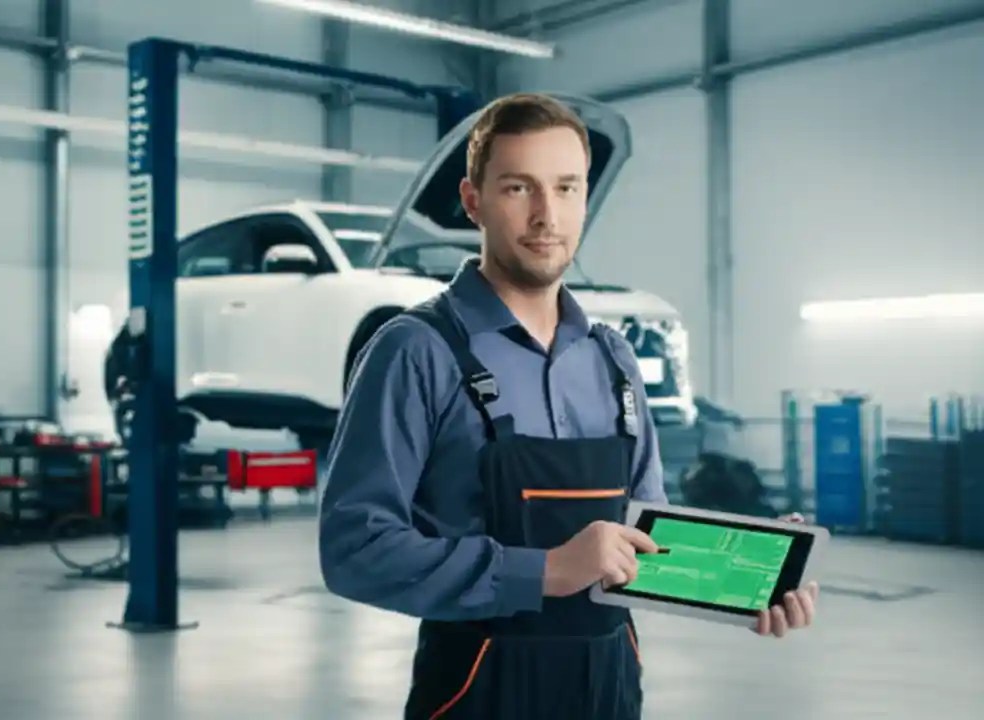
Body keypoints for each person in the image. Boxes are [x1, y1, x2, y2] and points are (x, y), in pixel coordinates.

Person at [317, 92, 819, 720]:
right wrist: (544, 570)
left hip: (609, 686)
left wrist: (744, 580)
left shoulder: (613, 360)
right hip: (478, 691)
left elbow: (644, 538)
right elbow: (352, 551)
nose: (546, 215)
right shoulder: (415, 351)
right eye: (518, 188)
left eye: (566, 187)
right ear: (473, 201)